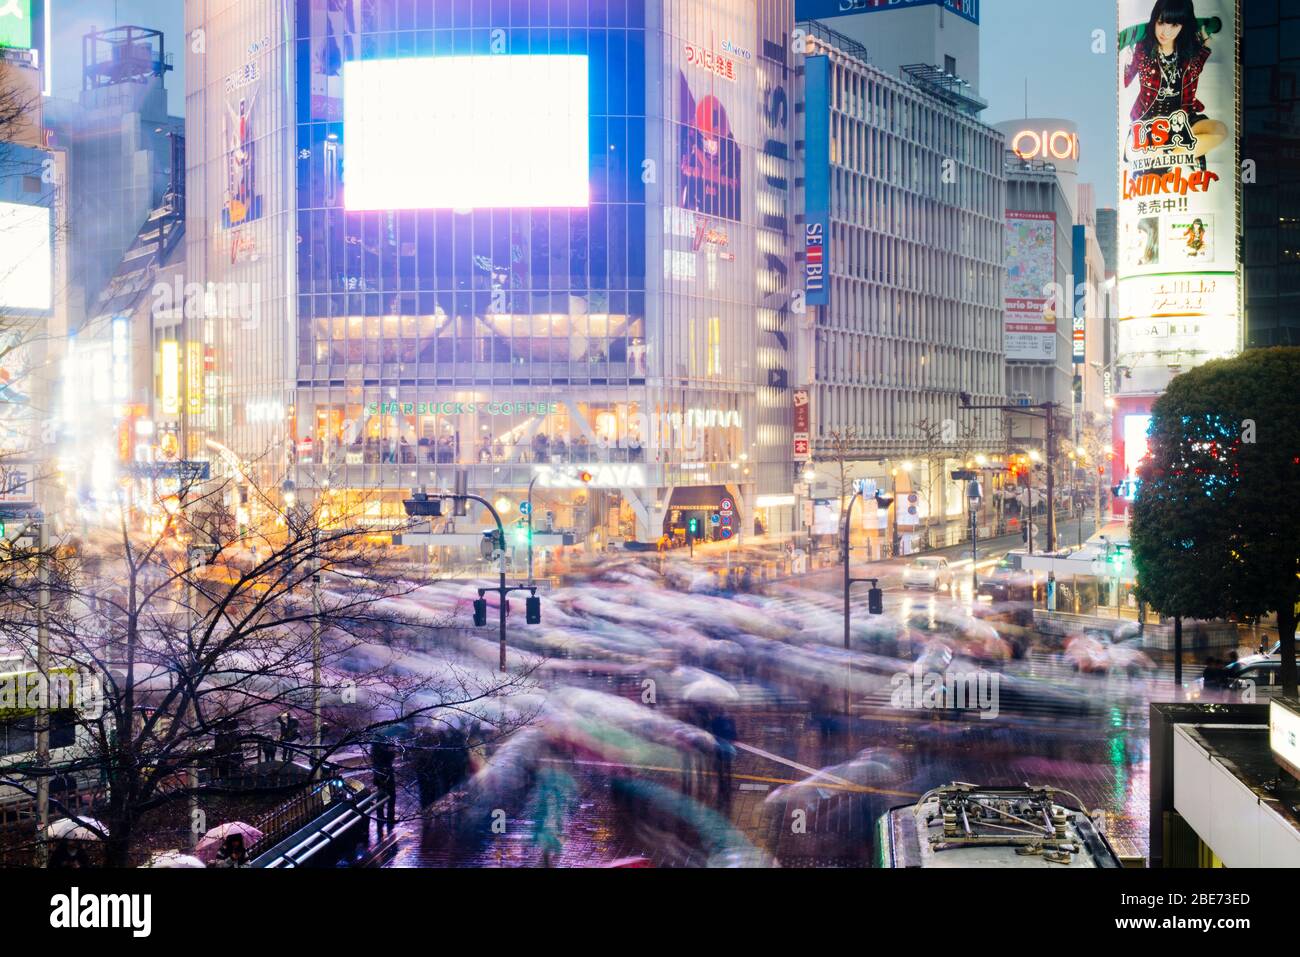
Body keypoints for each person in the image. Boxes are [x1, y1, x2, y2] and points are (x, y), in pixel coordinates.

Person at [1121, 0, 1227, 160]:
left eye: (1174, 25)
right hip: (1149, 121)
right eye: (1161, 23)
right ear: (1154, 20)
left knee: (1219, 130)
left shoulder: (1189, 51)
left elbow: (1196, 69)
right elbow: (1126, 81)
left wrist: (1204, 47)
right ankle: (1180, 152)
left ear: (1182, 26)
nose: (1166, 32)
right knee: (1130, 153)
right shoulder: (1143, 49)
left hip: (1181, 120)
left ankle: (1169, 155)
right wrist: (1128, 59)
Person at [709, 708, 737, 812]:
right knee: (728, 767)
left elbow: (712, 733)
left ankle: (722, 787)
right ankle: (728, 785)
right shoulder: (729, 719)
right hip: (728, 747)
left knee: (720, 768)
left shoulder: (715, 721)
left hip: (719, 747)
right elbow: (733, 733)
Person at [371, 740, 397, 835]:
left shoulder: (377, 743)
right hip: (384, 771)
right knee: (390, 795)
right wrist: (390, 750)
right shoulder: (381, 744)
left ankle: (382, 817)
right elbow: (389, 757)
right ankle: (388, 817)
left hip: (380, 771)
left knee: (382, 795)